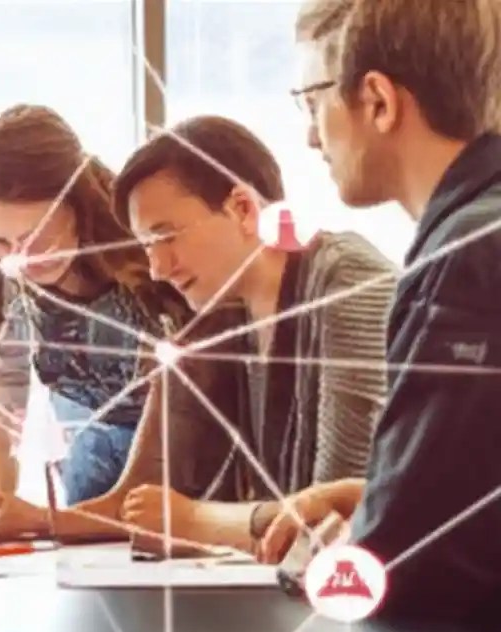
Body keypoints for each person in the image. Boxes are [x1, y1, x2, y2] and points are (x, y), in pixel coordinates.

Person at [259, 0, 501, 632]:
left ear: (378, 102)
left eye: (312, 103)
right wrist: (380, 498)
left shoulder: (470, 255)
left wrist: (328, 553)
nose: (310, 136)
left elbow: (412, 567)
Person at [108, 115, 395, 552]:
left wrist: (196, 520)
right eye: (147, 245)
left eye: (166, 236)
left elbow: (334, 521)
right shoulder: (233, 317)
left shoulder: (348, 280)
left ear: (243, 209)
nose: (157, 269)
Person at [0, 104, 192, 507]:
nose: (20, 259)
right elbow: (6, 387)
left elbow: (196, 386)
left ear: (78, 204)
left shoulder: (143, 249)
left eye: (38, 236)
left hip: (183, 455)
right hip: (88, 453)